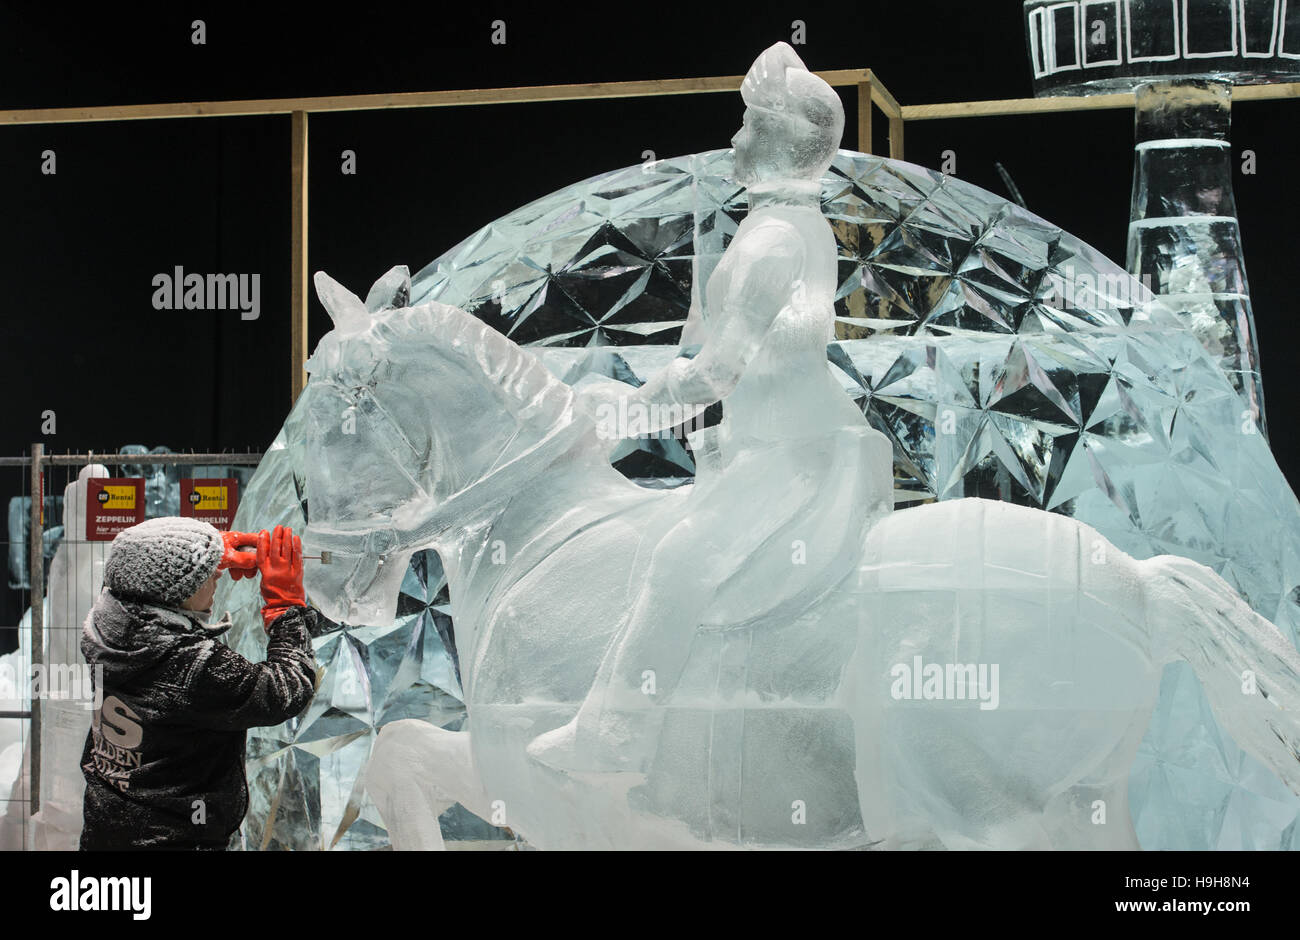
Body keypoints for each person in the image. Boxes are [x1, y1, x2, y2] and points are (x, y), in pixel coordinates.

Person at [527, 42, 894, 774]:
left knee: (678, 562)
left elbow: (717, 373)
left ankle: (615, 734)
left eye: (747, 128)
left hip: (791, 454)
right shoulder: (783, 229)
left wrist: (630, 413)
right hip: (786, 440)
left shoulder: (774, 241)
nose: (734, 140)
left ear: (779, 143)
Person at [79, 518, 318, 850]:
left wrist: (205, 550)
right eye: (207, 577)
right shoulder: (194, 666)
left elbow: (134, 568)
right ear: (178, 593)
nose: (215, 581)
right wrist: (285, 610)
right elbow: (286, 690)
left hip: (108, 822)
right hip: (178, 837)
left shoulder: (107, 627)